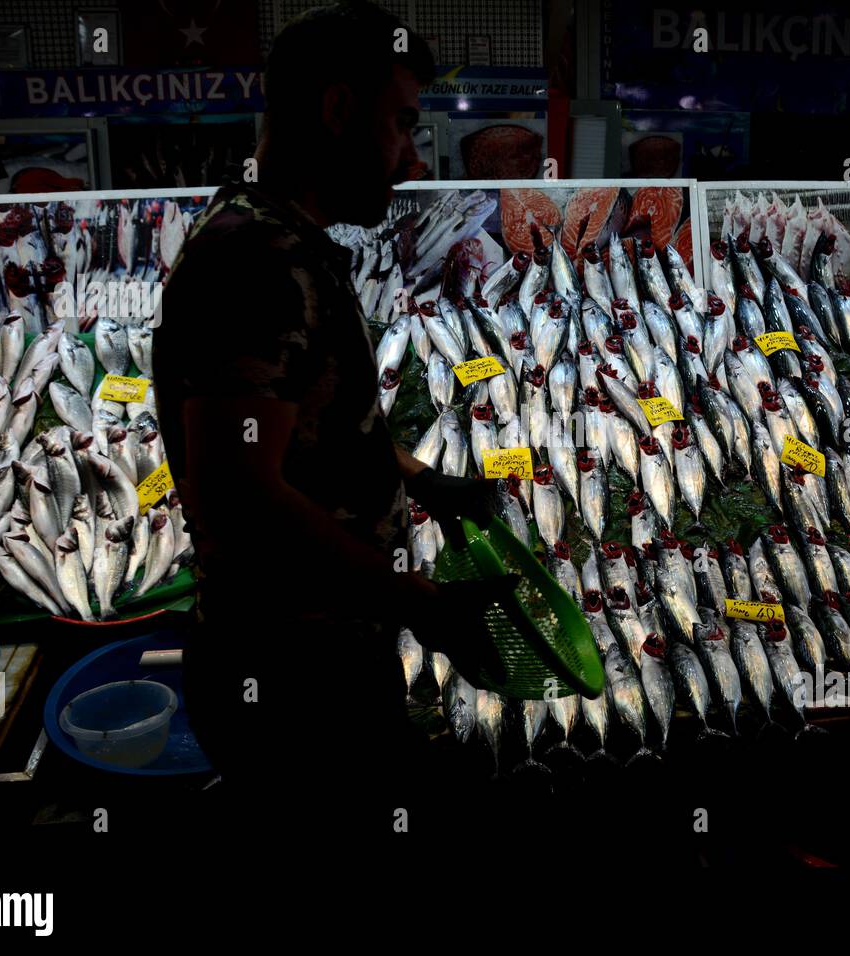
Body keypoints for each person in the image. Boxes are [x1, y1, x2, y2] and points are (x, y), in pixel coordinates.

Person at [153, 2, 513, 839]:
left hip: (321, 658)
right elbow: (236, 497)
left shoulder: (285, 237)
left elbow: (311, 421)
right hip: (288, 673)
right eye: (401, 124)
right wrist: (420, 601)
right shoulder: (252, 260)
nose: (413, 156)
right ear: (338, 112)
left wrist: (424, 480)